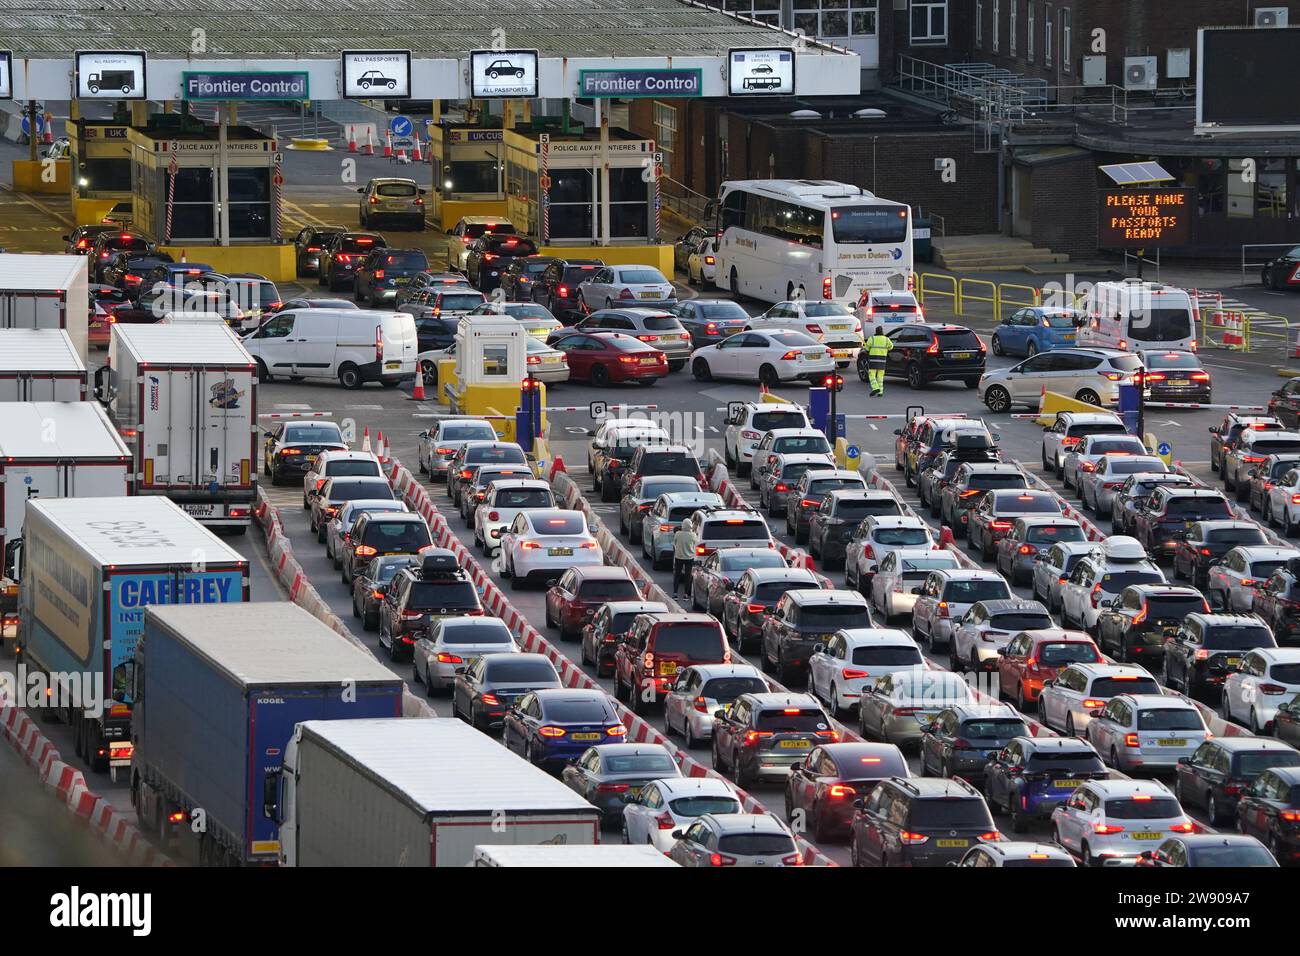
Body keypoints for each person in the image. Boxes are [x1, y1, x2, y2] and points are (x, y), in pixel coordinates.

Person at [671, 522, 698, 598]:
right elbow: (695, 543)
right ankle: (686, 594)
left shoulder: (678, 534)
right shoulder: (693, 535)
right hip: (689, 558)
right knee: (687, 576)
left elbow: (675, 543)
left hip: (679, 557)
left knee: (677, 575)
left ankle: (675, 593)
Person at [864, 325, 893, 397]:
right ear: (882, 331)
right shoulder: (886, 339)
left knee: (872, 375)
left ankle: (875, 388)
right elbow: (891, 347)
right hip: (882, 360)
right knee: (880, 376)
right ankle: (880, 392)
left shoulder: (872, 338)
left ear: (875, 331)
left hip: (873, 360)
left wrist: (865, 346)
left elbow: (867, 349)